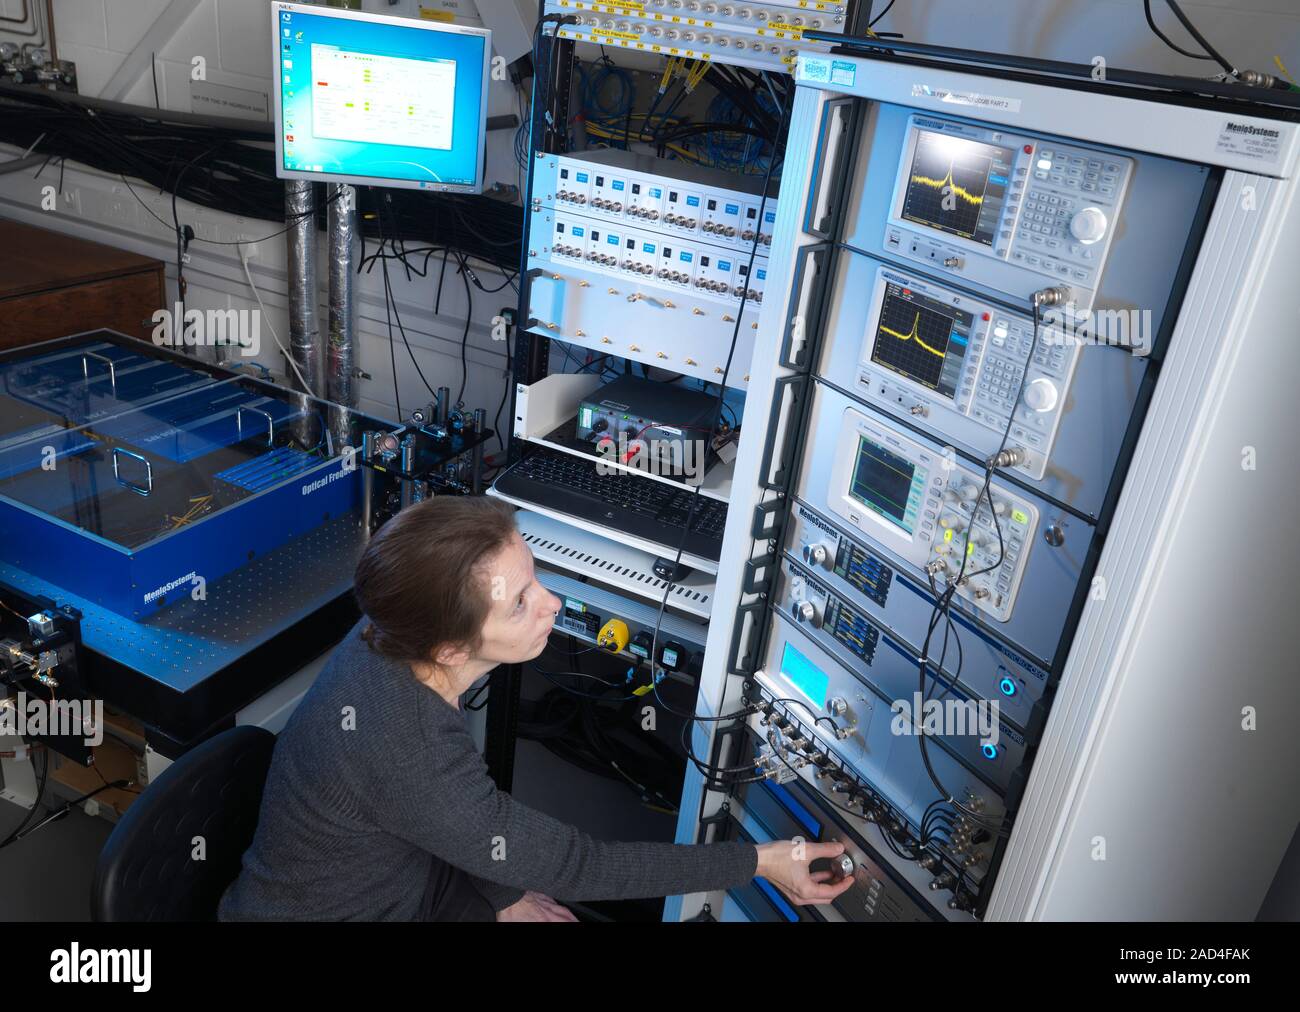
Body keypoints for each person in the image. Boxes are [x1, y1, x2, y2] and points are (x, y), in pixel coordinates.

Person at [219, 495, 853, 921]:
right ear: (448, 647)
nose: (551, 605)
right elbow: (579, 864)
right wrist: (765, 862)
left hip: (387, 875)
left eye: (536, 578)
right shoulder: (401, 740)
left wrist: (503, 892)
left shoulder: (387, 628)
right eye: (520, 603)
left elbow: (448, 818)